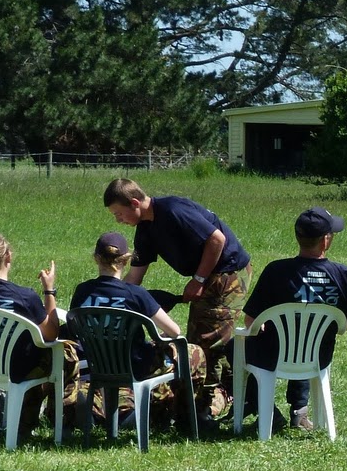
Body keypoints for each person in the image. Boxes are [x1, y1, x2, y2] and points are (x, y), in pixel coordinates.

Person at [103, 178, 250, 423]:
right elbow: (135, 276)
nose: (118, 220)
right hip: (206, 275)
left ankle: (202, 411)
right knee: (199, 339)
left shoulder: (173, 211)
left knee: (206, 343)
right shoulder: (145, 230)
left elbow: (217, 240)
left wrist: (199, 279)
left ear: (135, 203)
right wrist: (111, 298)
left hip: (228, 273)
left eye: (119, 213)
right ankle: (220, 398)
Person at [67, 232, 206, 433]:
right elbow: (174, 330)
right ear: (126, 259)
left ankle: (104, 410)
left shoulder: (82, 291)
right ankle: (180, 416)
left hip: (97, 365)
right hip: (136, 366)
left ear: (96, 258)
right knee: (194, 353)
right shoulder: (135, 294)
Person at [241, 207, 347, 431]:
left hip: (273, 356)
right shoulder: (342, 273)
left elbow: (250, 321)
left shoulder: (276, 271)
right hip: (318, 356)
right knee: (305, 340)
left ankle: (266, 411)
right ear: (325, 241)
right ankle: (300, 411)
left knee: (235, 348)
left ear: (298, 237)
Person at [0, 232, 80, 439]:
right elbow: (50, 334)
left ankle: (23, 424)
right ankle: (62, 425)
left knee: (35, 355)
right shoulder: (23, 296)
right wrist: (49, 291)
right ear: (8, 257)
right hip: (17, 369)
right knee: (65, 354)